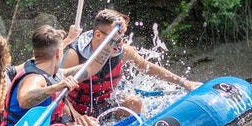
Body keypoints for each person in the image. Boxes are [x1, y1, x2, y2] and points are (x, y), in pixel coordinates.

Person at [0, 25, 113, 126]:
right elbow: (24, 99)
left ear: (34, 52)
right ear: (59, 53)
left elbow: (91, 67)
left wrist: (112, 38)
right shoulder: (34, 78)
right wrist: (56, 87)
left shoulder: (55, 74)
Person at [62, 9, 202, 117]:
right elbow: (59, 94)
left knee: (135, 103)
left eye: (121, 37)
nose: (119, 43)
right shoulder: (75, 55)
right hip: (79, 110)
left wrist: (184, 82)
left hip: (106, 105)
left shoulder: (123, 51)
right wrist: (75, 116)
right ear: (98, 35)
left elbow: (148, 68)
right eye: (114, 38)